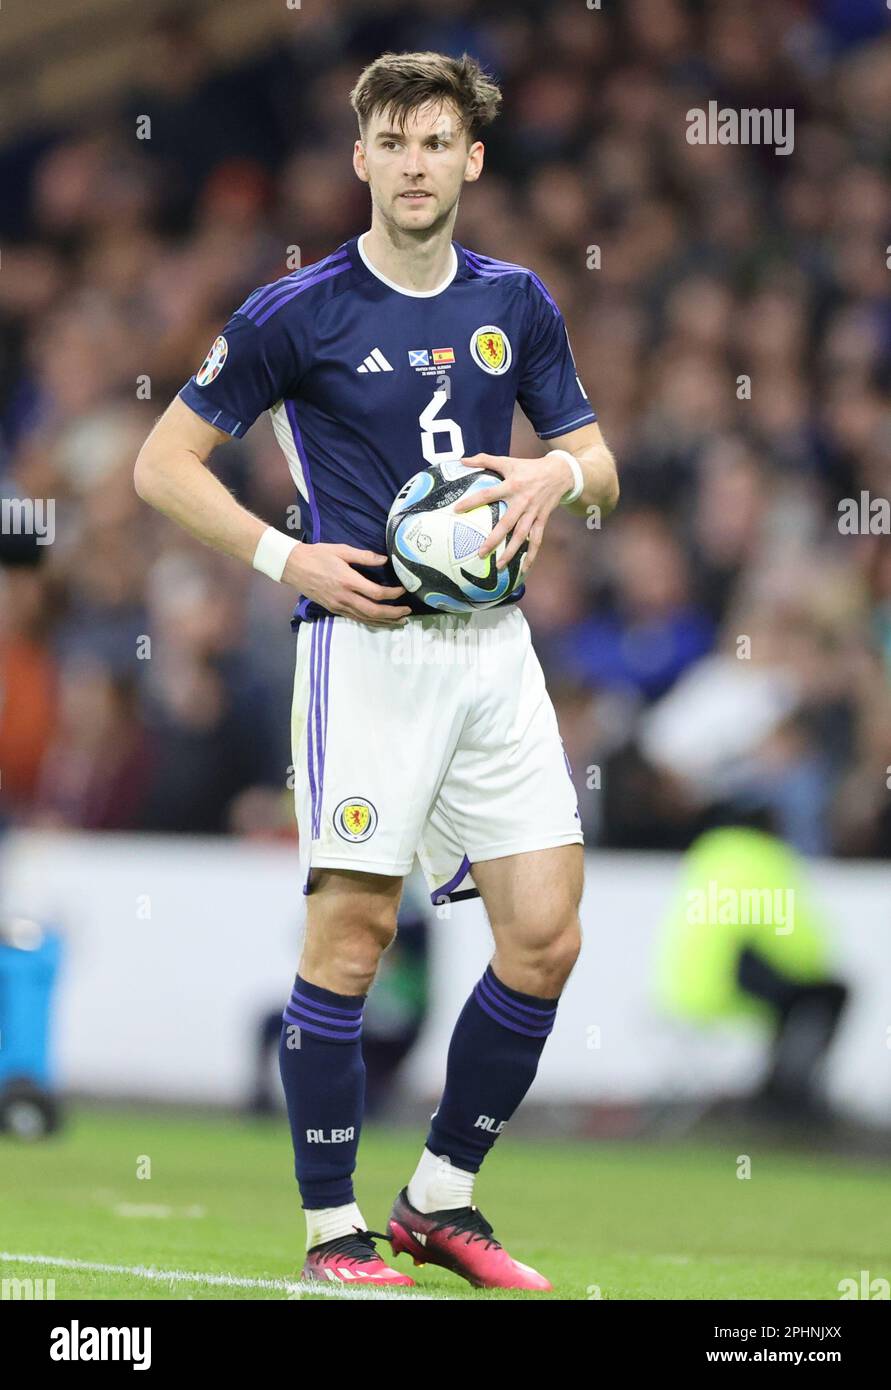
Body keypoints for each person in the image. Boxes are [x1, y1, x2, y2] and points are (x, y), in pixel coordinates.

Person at [134, 50, 619, 1290]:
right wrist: (286, 560)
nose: (414, 163)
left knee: (546, 937)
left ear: (472, 160)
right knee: (350, 937)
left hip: (493, 652)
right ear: (361, 160)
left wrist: (556, 475)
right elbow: (162, 465)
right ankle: (329, 1229)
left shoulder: (518, 301)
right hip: (368, 649)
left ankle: (438, 1199)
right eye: (392, 143)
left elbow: (598, 462)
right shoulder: (294, 310)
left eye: (436, 143)